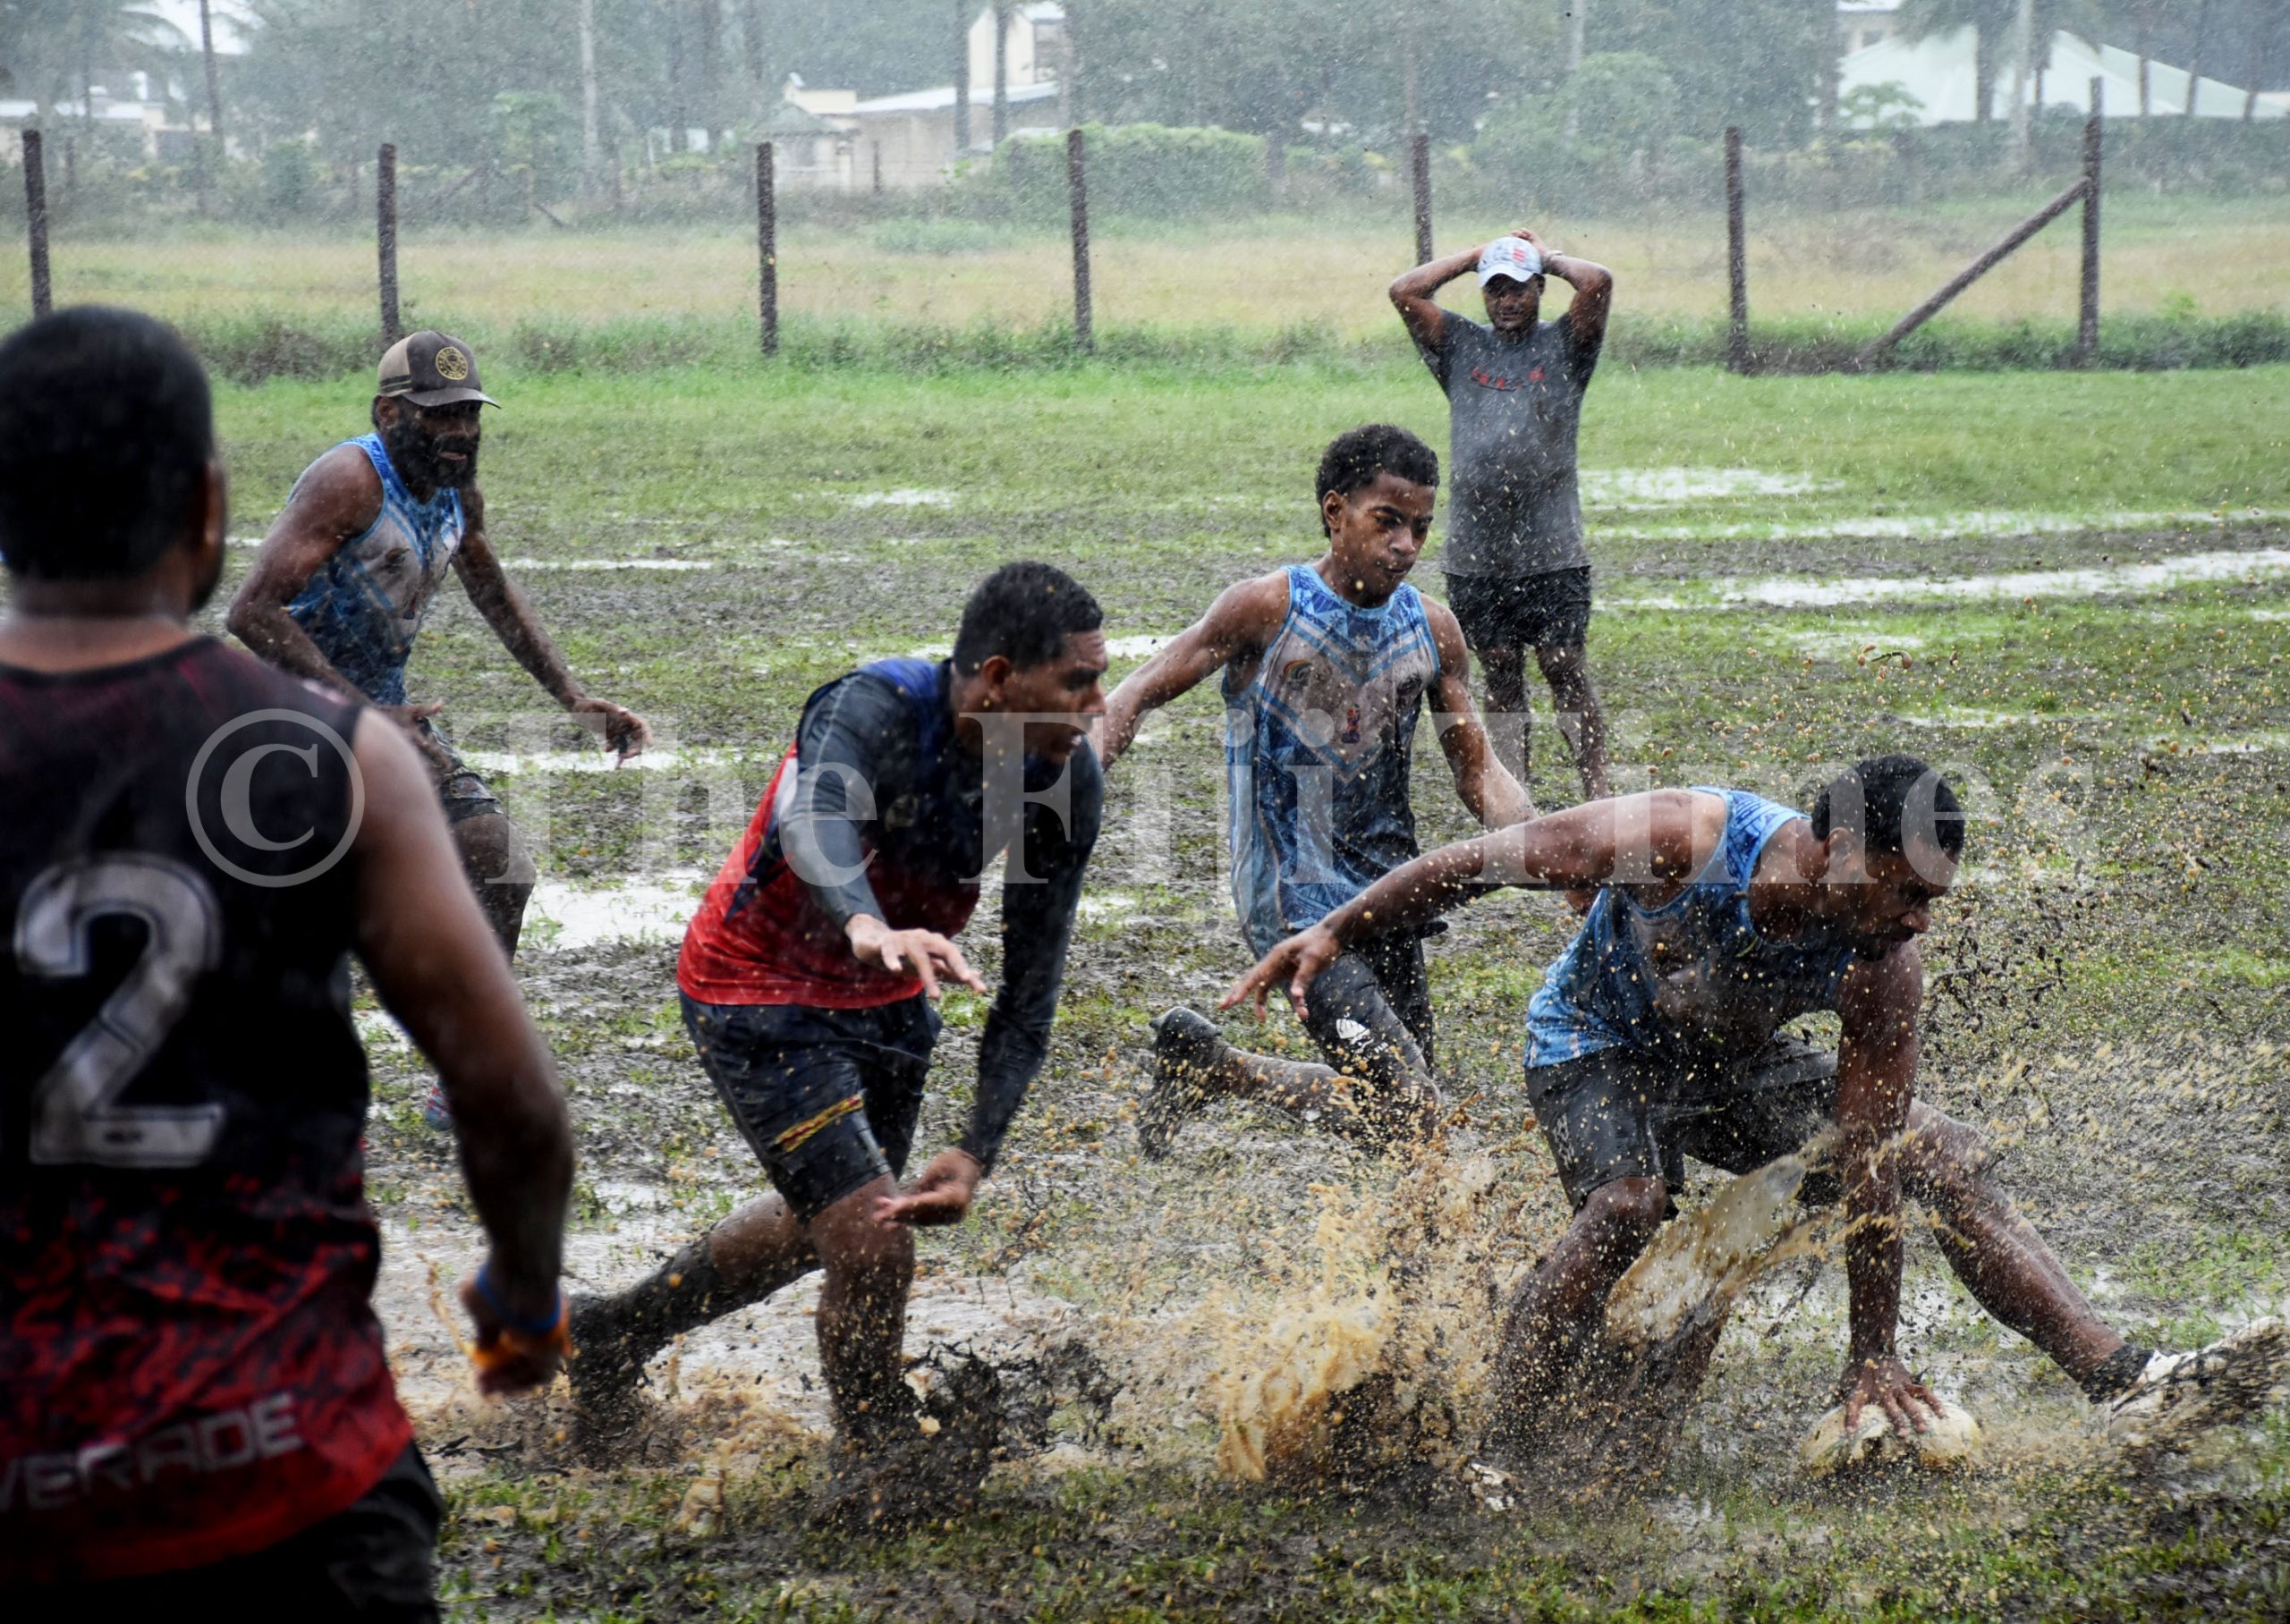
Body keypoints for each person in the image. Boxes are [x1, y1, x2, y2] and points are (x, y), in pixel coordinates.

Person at [0, 308, 574, 1616]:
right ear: (208, 512)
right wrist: (525, 1303)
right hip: (281, 1461)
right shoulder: (333, 755)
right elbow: (517, 1109)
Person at [1227, 755, 2282, 1459]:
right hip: (1593, 1048)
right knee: (1628, 1210)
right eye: (1902, 890)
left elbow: (1867, 1156)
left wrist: (1870, 1350)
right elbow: (1481, 861)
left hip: (1731, 1075)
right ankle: (1491, 1444)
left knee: (1934, 1153)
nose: (1916, 921)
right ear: (1829, 847)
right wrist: (1334, 932)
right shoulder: (1682, 837)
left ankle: (2126, 1378)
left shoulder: (1885, 966)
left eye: (1931, 900)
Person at [567, 562, 1107, 1512]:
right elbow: (810, 815)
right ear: (994, 677)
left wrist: (977, 1147)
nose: (1097, 708)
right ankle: (880, 1460)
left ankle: (610, 1333)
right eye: (1076, 684)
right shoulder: (875, 704)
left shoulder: (1063, 778)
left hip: (890, 993)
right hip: (757, 986)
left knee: (845, 1221)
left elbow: (1030, 991)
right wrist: (863, 921)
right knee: (868, 1237)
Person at [1099, 425, 1531, 1158]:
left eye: (1421, 527)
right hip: (1292, 901)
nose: (1405, 545)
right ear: (1336, 513)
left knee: (1388, 1113)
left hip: (1392, 895)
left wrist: (1553, 847)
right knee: (1415, 1117)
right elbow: (1136, 691)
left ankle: (1213, 1070)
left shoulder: (1433, 629)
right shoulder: (1265, 609)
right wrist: (1073, 772)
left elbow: (1478, 771)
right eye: (1386, 521)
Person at [227, 329, 653, 959]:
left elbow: (493, 592)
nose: (459, 432)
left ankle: (473, 1048)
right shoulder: (350, 481)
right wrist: (361, 714)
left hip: (392, 721)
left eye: (469, 413)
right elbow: (252, 611)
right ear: (389, 413)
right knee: (298, 926)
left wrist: (574, 698)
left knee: (499, 867)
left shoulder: (457, 491)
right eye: (440, 416)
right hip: (295, 721)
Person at [1390, 229, 1613, 802]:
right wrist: (1474, 255)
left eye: (1518, 288)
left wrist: (1547, 253)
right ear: (1482, 293)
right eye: (1495, 289)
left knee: (1563, 663)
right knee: (1500, 669)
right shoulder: (1461, 346)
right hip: (1478, 549)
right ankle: (1518, 795)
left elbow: (1598, 283)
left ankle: (1598, 791)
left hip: (1552, 543)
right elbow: (1405, 291)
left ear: (1539, 287)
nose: (1507, 300)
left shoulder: (1568, 345)